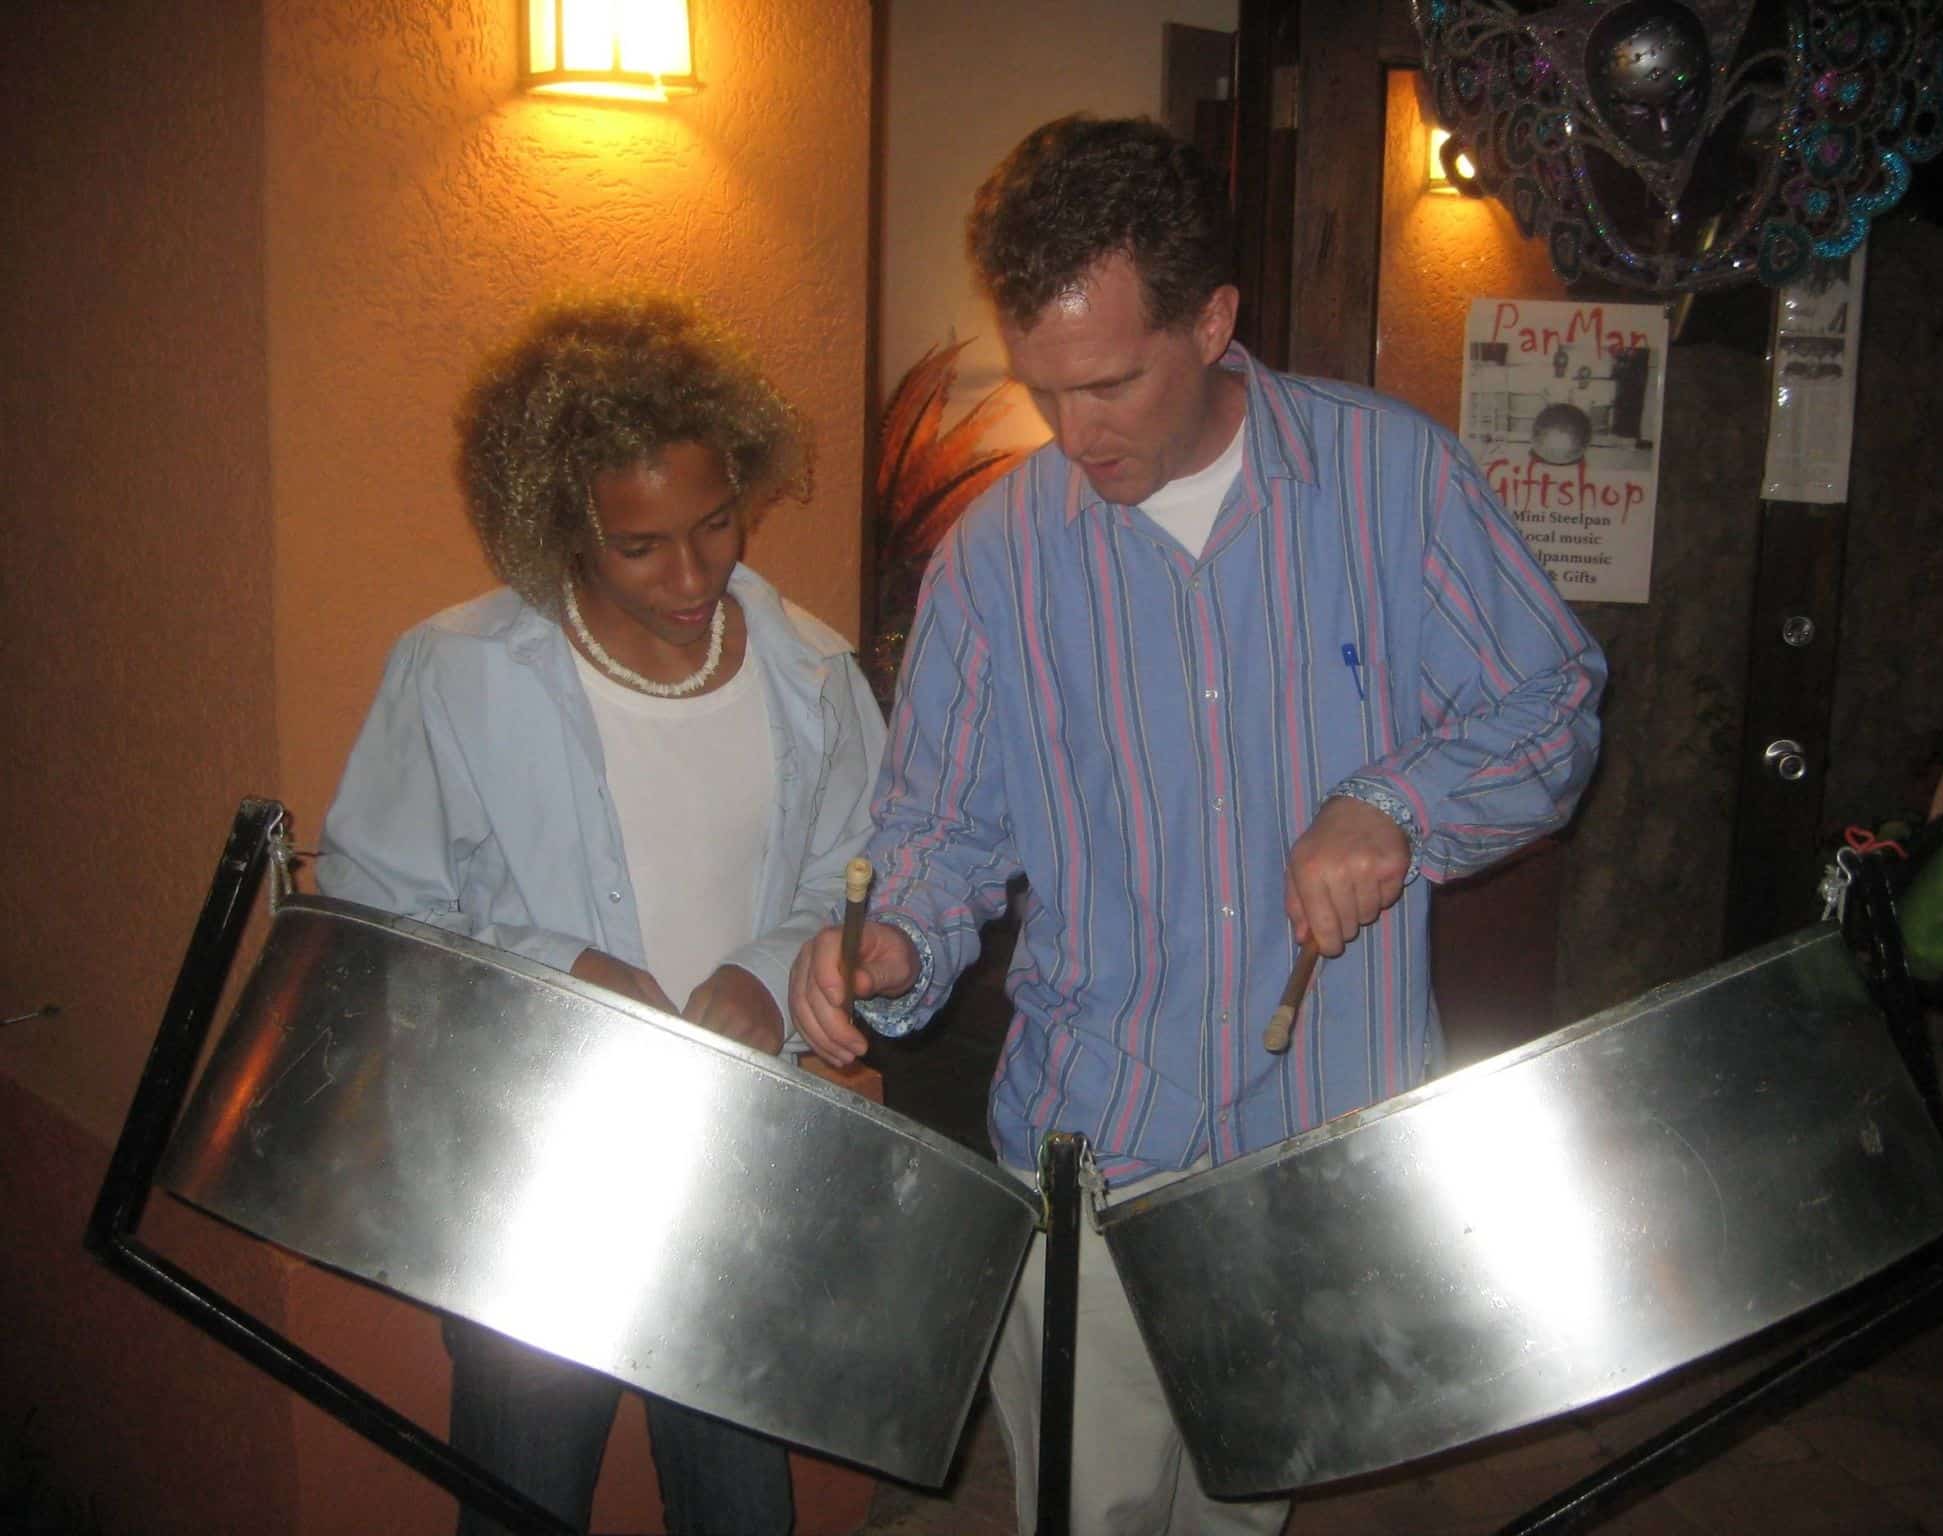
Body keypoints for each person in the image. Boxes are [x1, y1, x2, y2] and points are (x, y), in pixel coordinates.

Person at [789, 116, 1605, 1534]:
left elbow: (1555, 709)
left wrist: (1395, 805)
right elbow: (936, 828)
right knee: (1087, 1515)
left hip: (1316, 1145)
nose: (1074, 433)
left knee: (1241, 1511)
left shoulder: (1392, 483)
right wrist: (889, 948)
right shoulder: (1000, 554)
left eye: (1109, 383)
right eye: (1046, 391)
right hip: (1092, 1139)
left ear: (1214, 321)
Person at [319, 291, 886, 1536]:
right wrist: (555, 961)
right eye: (639, 547)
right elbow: (367, 917)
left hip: (734, 1161)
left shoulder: (813, 674)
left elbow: (855, 882)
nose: (692, 574)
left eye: (715, 522)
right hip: (529, 1168)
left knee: (744, 1513)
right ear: (558, 531)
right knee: (519, 1497)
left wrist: (766, 965)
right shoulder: (457, 676)